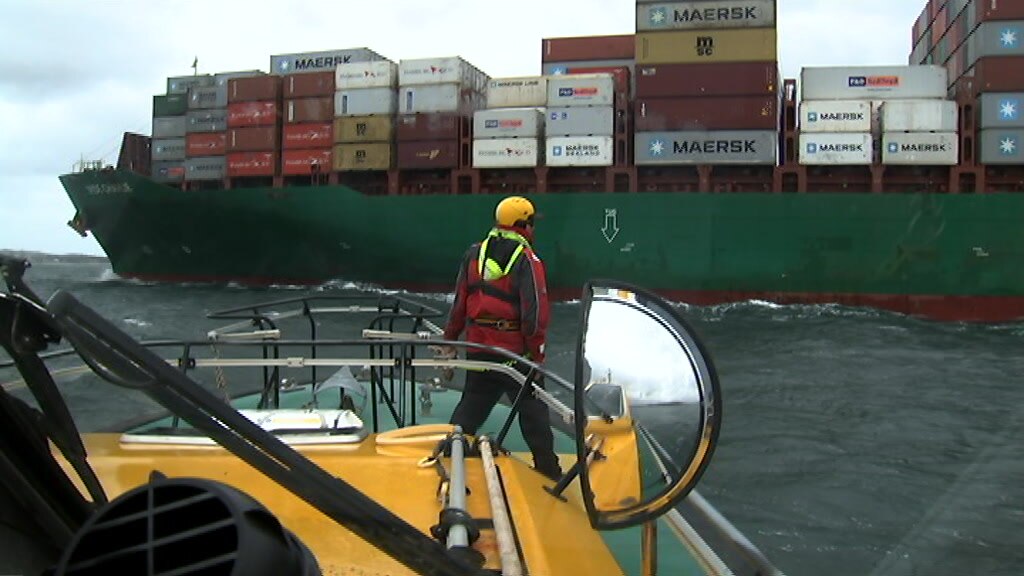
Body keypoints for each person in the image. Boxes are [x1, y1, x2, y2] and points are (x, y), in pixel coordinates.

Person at [437, 195, 562, 481]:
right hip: (514, 354)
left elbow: (459, 303)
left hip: (479, 349)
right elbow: (536, 313)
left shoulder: (474, 254)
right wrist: (535, 354)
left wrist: (451, 339)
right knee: (534, 414)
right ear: (524, 226)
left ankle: (449, 455)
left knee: (471, 405)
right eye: (531, 224)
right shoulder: (528, 261)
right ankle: (549, 471)